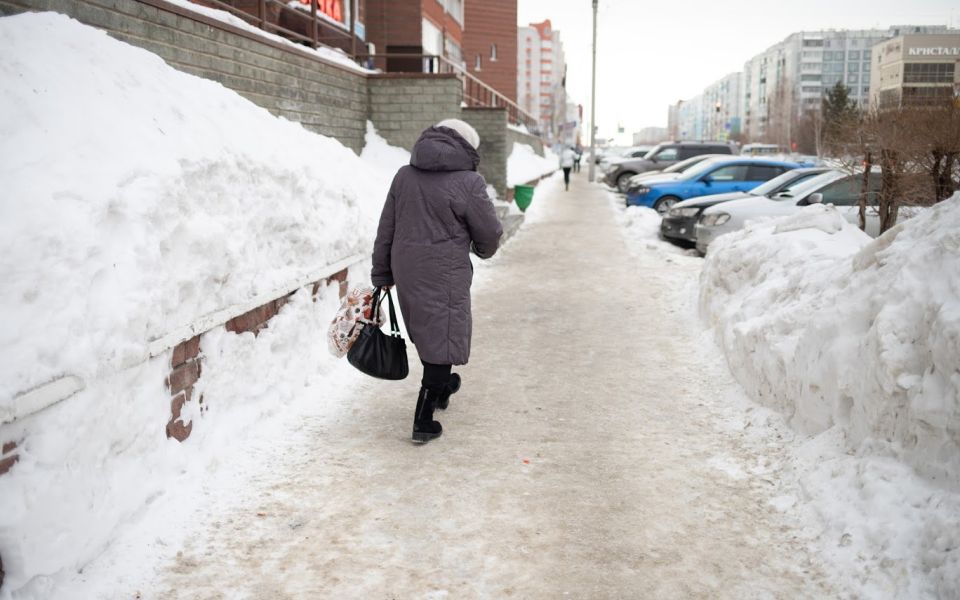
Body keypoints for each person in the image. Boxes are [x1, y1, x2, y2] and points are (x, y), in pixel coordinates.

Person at [371, 119, 503, 444]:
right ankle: (423, 418)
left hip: (407, 268)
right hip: (445, 271)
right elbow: (489, 232)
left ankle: (443, 386)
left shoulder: (404, 175)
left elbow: (387, 227)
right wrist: (482, 250)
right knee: (442, 334)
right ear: (467, 147)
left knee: (428, 330)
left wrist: (382, 272)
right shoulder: (469, 182)